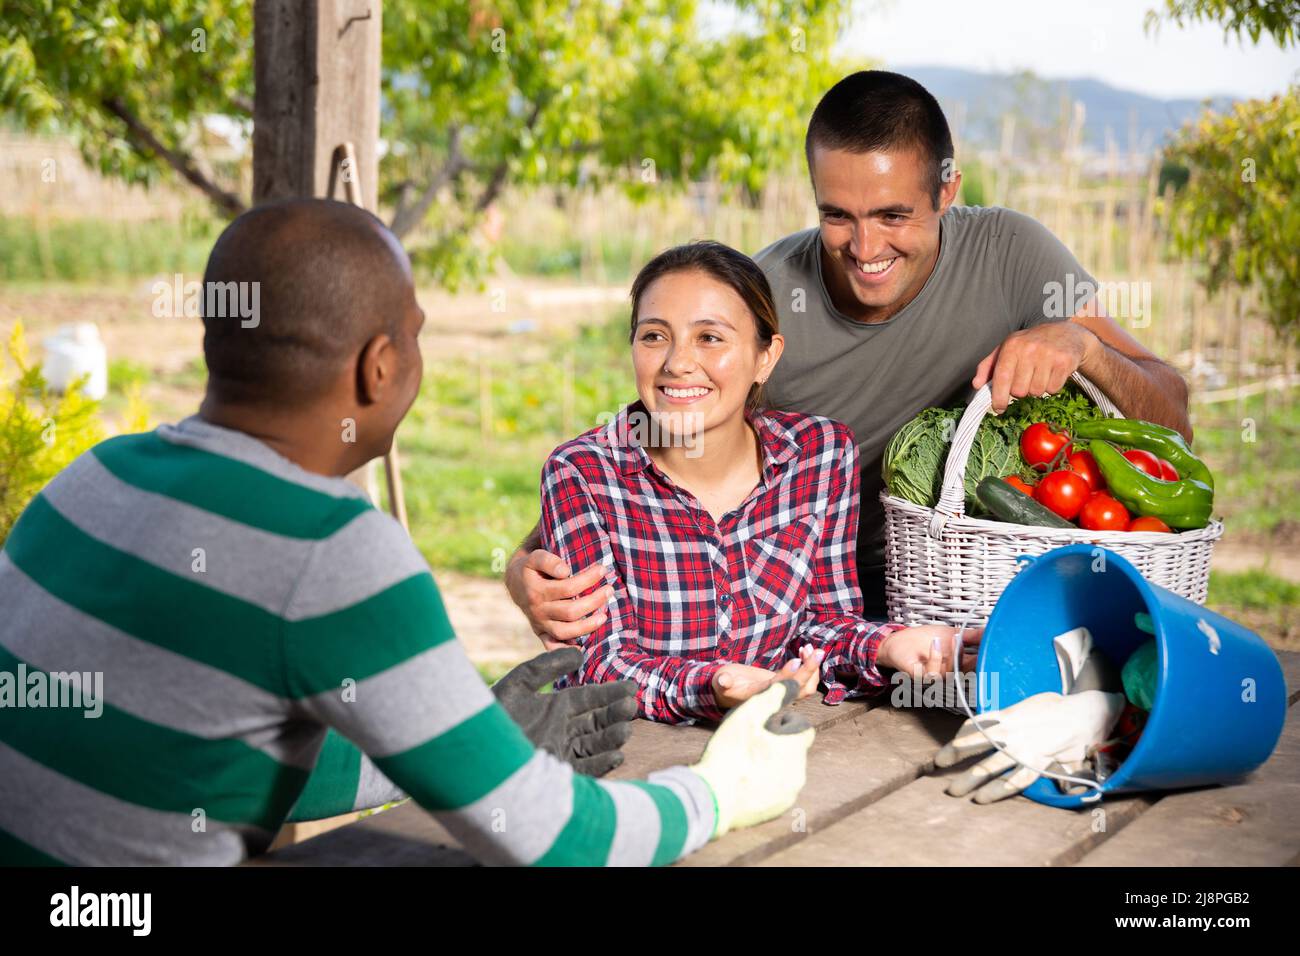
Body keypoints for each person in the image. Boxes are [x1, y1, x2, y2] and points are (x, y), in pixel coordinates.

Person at [0, 199, 813, 866]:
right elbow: (560, 841)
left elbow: (193, 753)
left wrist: (460, 742)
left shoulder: (91, 478)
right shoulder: (331, 546)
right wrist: (721, 791)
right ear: (378, 368)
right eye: (418, 334)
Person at [506, 69, 1191, 641]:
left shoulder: (1015, 255)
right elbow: (642, 445)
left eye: (893, 216)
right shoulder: (762, 299)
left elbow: (1174, 420)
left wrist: (1084, 346)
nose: (865, 249)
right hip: (814, 623)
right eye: (838, 216)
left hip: (977, 597)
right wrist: (523, 567)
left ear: (947, 191)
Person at [537, 241, 980, 724]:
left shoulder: (820, 454)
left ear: (765, 357)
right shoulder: (582, 473)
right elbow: (597, 666)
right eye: (654, 336)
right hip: (624, 753)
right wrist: (714, 685)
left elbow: (823, 624)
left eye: (710, 338)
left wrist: (891, 644)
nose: (677, 363)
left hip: (779, 741)